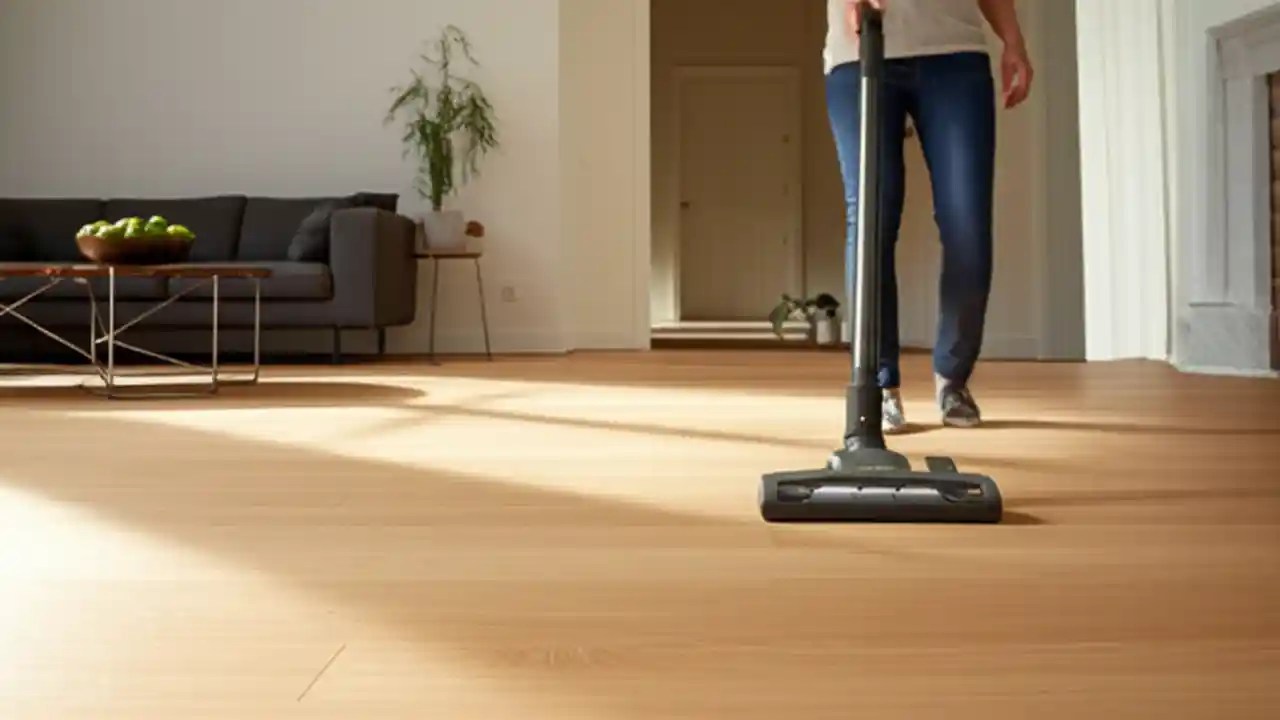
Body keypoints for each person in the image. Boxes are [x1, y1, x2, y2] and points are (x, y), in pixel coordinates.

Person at [825, 0, 1032, 431]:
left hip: (954, 54)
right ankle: (878, 383)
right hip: (860, 52)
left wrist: (1012, 39)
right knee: (871, 221)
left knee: (968, 225)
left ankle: (953, 377)